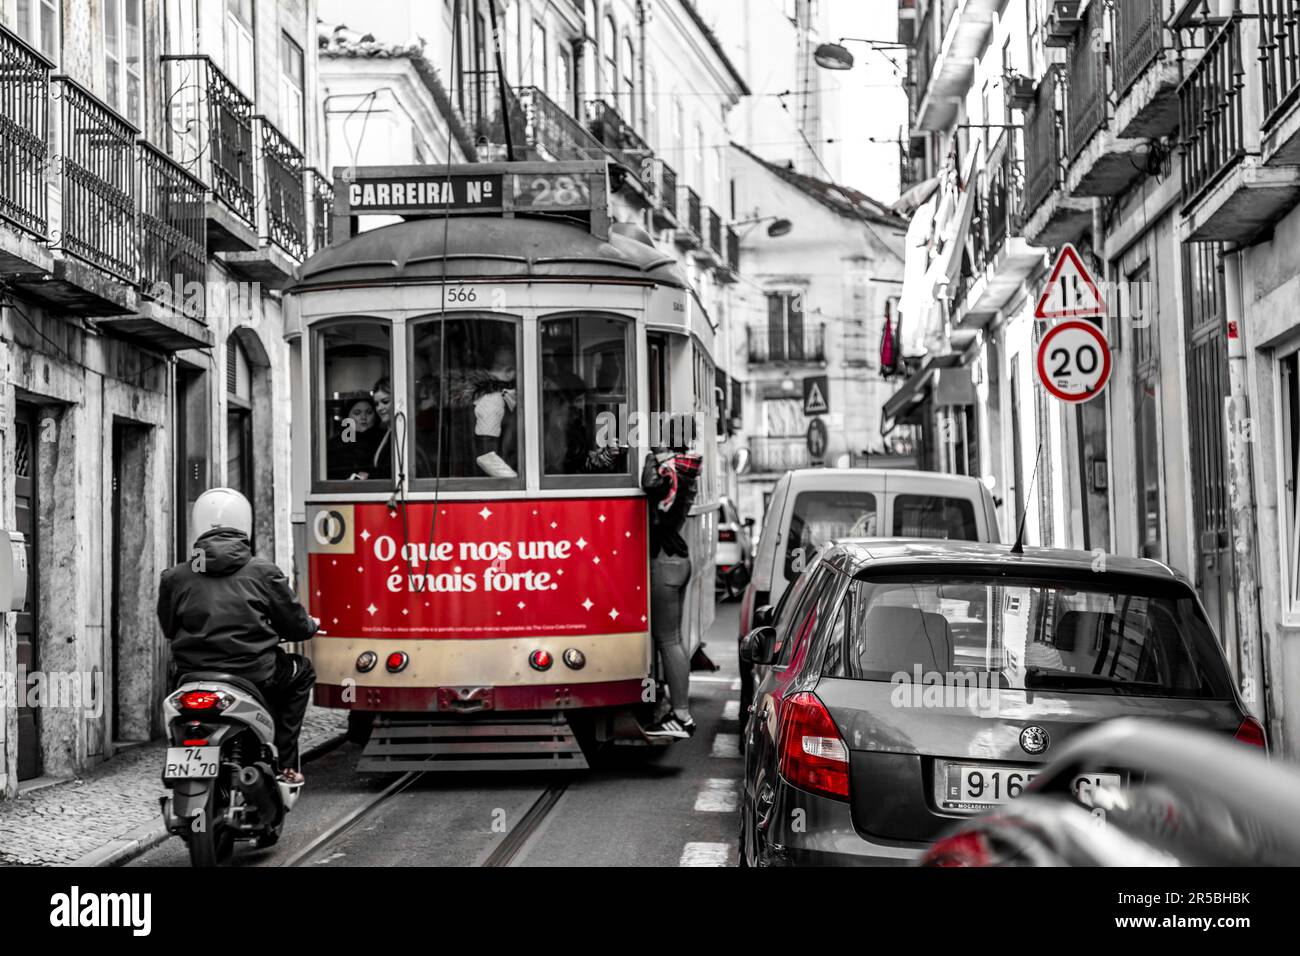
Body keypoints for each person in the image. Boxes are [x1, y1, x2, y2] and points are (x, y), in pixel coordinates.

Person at [157, 488, 320, 783]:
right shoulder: (263, 572)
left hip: (192, 675)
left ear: (199, 526)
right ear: (245, 524)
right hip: (254, 673)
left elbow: (169, 629)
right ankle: (284, 763)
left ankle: (177, 756)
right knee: (302, 671)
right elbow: (296, 626)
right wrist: (310, 625)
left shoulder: (175, 577)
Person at [641, 445, 703, 739]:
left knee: (668, 639)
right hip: (677, 559)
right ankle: (678, 711)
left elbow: (648, 483)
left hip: (664, 561)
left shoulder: (668, 471)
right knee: (673, 639)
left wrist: (649, 456)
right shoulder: (684, 470)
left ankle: (681, 714)